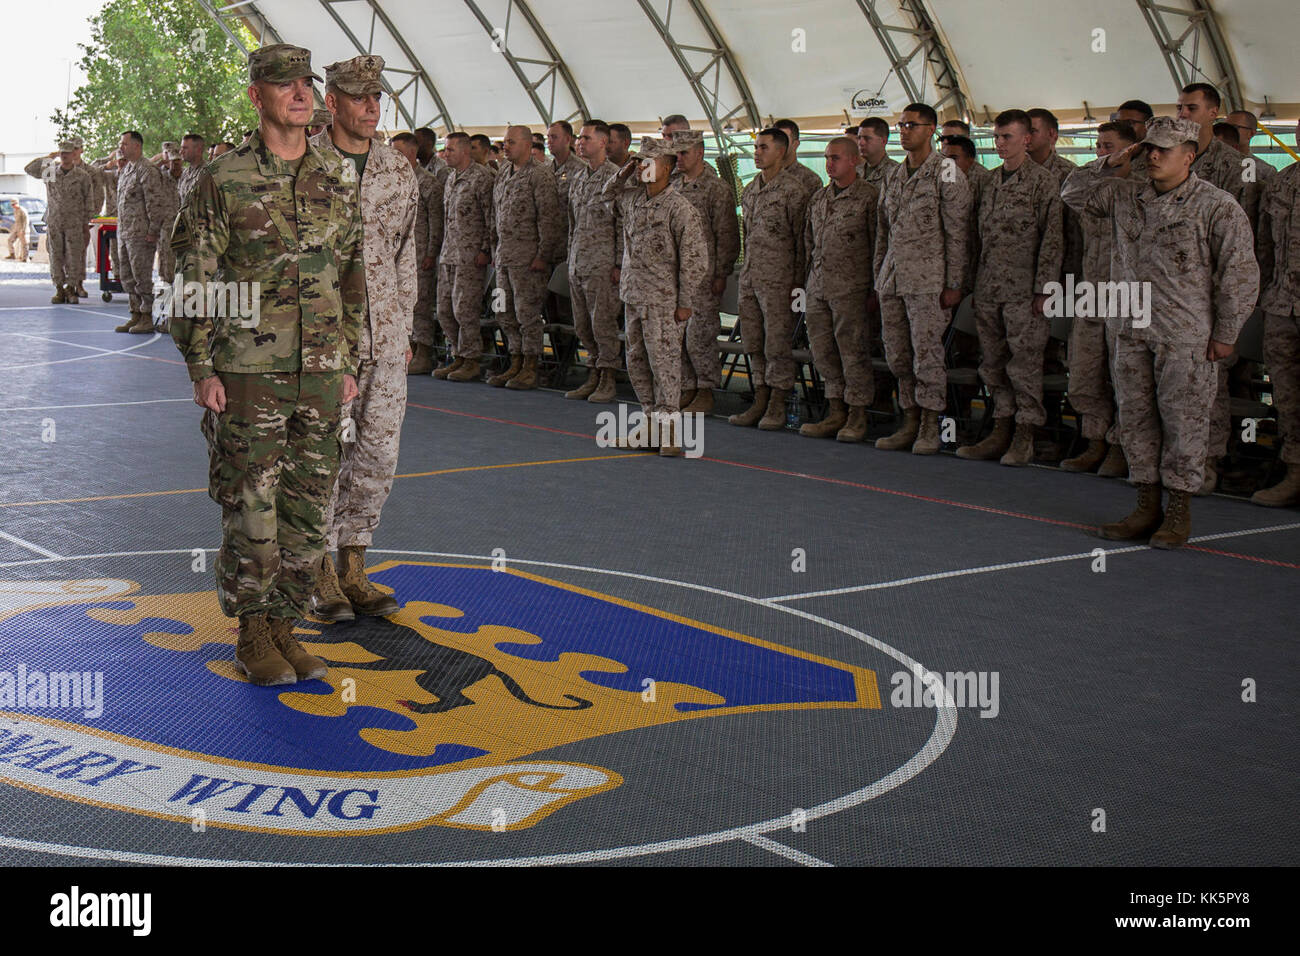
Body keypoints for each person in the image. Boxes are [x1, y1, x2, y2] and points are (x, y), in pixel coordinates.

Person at [169, 43, 366, 683]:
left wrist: (350, 362)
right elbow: (194, 275)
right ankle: (254, 632)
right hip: (250, 370)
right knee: (253, 507)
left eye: (306, 82)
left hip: (323, 371)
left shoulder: (336, 178)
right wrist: (202, 365)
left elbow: (353, 276)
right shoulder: (223, 179)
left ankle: (286, 626)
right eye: (285, 85)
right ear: (258, 97)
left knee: (309, 508)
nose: (301, 93)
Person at [1062, 116, 1258, 548]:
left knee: (1183, 424)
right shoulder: (1123, 196)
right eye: (1148, 148)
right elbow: (1071, 190)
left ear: (1189, 157)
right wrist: (1115, 159)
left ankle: (1179, 511)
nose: (1152, 155)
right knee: (1135, 421)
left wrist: (1226, 333)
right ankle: (1145, 505)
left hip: (1184, 335)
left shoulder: (1216, 205)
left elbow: (1240, 275)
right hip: (1130, 331)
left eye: (1163, 150)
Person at [308, 54, 419, 622]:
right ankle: (316, 570)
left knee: (377, 451)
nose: (372, 107)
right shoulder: (305, 164)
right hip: (325, 339)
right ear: (332, 102)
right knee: (324, 452)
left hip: (385, 338)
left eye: (378, 97)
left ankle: (354, 562)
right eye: (359, 97)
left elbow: (405, 257)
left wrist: (402, 327)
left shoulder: (397, 171)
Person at [957, 108, 1064, 467]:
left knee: (1025, 365)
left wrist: (1044, 289)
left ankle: (1025, 434)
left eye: (1008, 137)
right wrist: (970, 284)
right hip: (989, 288)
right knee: (993, 363)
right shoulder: (986, 182)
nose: (1000, 144)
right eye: (997, 137)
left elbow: (1052, 239)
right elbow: (974, 236)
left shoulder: (1042, 182)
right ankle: (1000, 428)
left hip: (1024, 291)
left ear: (1027, 139)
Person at [873, 103, 970, 453]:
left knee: (926, 355)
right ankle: (909, 419)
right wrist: (878, 276)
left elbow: (958, 232)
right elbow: (883, 233)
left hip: (929, 281)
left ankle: (931, 424)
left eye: (911, 125)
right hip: (894, 279)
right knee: (898, 355)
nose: (904, 131)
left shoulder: (946, 172)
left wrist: (954, 283)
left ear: (931, 130)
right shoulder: (894, 175)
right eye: (900, 126)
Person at [606, 137, 708, 455]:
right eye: (640, 162)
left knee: (664, 366)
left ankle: (670, 433)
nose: (642, 168)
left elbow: (694, 259)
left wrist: (685, 302)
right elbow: (606, 195)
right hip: (634, 295)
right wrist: (624, 170)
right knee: (636, 362)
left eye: (649, 163)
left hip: (663, 300)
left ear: (667, 167)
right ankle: (649, 425)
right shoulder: (633, 200)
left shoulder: (679, 208)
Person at [1060, 119, 1138, 475]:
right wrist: (1105, 165)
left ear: (1132, 149)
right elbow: (1069, 192)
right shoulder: (1094, 189)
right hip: (1093, 291)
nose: (1101, 152)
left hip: (1131, 295)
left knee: (1126, 377)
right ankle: (1094, 441)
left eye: (1110, 146)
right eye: (1098, 146)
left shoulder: (1146, 188)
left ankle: (1123, 446)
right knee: (1085, 373)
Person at [728, 127, 812, 430]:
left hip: (781, 281)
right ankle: (760, 397)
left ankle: (778, 401)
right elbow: (748, 235)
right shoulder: (751, 189)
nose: (757, 152)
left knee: (777, 344)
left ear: (781, 151)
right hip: (752, 277)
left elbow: (803, 243)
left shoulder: (794, 191)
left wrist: (798, 284)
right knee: (753, 341)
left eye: (764, 147)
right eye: (756, 147)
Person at [799, 136, 878, 442]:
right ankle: (835, 411)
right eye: (827, 157)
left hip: (852, 288)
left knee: (853, 351)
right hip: (819, 286)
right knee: (823, 351)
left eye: (836, 158)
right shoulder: (819, 198)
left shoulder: (869, 197)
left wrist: (874, 288)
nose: (829, 163)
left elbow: (877, 244)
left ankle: (857, 414)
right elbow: (809, 243)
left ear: (854, 160)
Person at [668, 128, 740, 415]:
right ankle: (687, 387)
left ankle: (706, 390)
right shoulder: (673, 184)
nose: (679, 159)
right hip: (674, 274)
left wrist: (722, 272)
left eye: (684, 153)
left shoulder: (716, 188)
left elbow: (727, 234)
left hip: (702, 276)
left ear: (700, 153)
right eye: (676, 153)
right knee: (678, 335)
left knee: (700, 335)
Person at [488, 126, 564, 390]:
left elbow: (549, 218)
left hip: (528, 259)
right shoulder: (503, 174)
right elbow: (495, 216)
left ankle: (530, 365)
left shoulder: (540, 175)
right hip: (504, 257)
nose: (505, 146)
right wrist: (493, 248)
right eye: (504, 142)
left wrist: (543, 255)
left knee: (527, 313)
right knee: (503, 311)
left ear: (526, 144)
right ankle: (515, 361)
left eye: (510, 142)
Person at [1251, 117, 1300, 507]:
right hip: (1283, 305)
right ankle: (1295, 472)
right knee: (1287, 395)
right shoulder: (1282, 182)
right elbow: (1265, 247)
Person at [564, 119, 623, 403]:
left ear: (603, 142)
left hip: (603, 264)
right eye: (580, 138)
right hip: (579, 261)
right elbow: (572, 223)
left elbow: (623, 224)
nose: (580, 142)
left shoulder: (616, 178)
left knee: (603, 324)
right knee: (583, 325)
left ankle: (608, 377)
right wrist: (570, 258)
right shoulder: (578, 177)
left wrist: (620, 263)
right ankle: (593, 373)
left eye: (587, 138)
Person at [434, 131, 494, 381]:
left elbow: (491, 216)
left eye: (450, 150)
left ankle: (471, 359)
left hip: (470, 255)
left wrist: (485, 249)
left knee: (464, 309)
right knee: (445, 309)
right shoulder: (451, 178)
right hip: (449, 252)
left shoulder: (481, 178)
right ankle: (458, 354)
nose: (445, 154)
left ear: (465, 151)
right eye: (445, 150)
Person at [391, 132, 444, 376]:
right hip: (396, 255)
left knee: (421, 305)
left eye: (398, 151)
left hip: (420, 254)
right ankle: (406, 347)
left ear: (412, 153)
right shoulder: (393, 180)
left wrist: (431, 254)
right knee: (400, 304)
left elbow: (436, 222)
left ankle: (424, 351)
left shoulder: (428, 183)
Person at [112, 130, 169, 332]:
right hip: (126, 233)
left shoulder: (147, 170)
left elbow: (155, 204)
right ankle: (135, 314)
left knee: (141, 276)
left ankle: (146, 316)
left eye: (124, 144)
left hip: (141, 234)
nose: (121, 147)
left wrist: (153, 230)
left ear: (137, 146)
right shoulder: (127, 170)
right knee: (127, 276)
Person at [24, 140, 93, 305]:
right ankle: (59, 288)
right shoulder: (50, 171)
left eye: (67, 153)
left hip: (74, 223)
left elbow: (88, 201)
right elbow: (29, 169)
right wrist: (48, 157)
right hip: (55, 222)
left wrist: (86, 224)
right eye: (62, 153)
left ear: (73, 154)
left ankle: (71, 288)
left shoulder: (82, 176)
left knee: (73, 256)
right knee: (55, 256)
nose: (64, 156)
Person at [855, 117, 899, 194]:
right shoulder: (855, 172)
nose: (861, 143)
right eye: (859, 138)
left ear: (883, 141)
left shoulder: (896, 173)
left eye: (867, 138)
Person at [5, 197, 29, 261]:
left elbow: (26, 221)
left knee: (24, 244)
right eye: (12, 205)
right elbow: (16, 221)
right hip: (17, 228)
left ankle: (25, 258)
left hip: (22, 229)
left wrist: (23, 230)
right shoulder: (15, 210)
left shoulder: (22, 210)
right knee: (10, 240)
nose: (13, 206)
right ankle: (12, 254)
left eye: (14, 204)